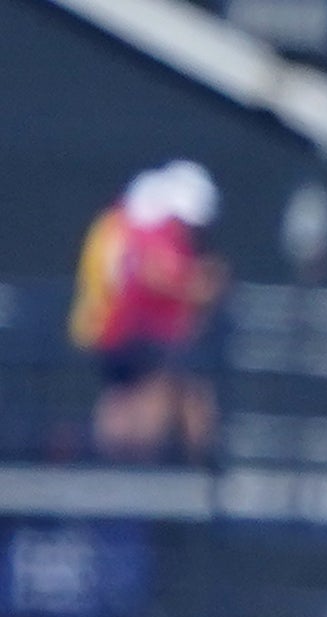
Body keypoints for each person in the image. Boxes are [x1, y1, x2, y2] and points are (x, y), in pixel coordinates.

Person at [71, 163, 224, 461]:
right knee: (151, 398)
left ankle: (129, 462)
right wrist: (199, 285)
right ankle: (135, 462)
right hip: (137, 335)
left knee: (141, 399)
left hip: (129, 334)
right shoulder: (153, 232)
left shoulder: (128, 228)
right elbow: (157, 273)